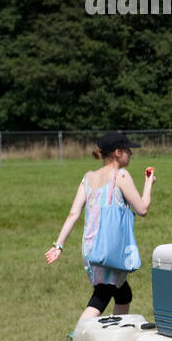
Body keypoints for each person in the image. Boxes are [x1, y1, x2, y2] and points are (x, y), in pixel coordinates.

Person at [45, 132, 154, 330]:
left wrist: (58, 245)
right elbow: (142, 209)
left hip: (91, 248)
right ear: (117, 153)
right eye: (128, 150)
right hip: (109, 248)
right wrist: (148, 184)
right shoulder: (120, 176)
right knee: (102, 295)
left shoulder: (88, 177)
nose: (131, 153)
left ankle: (113, 340)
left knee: (123, 294)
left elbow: (73, 214)